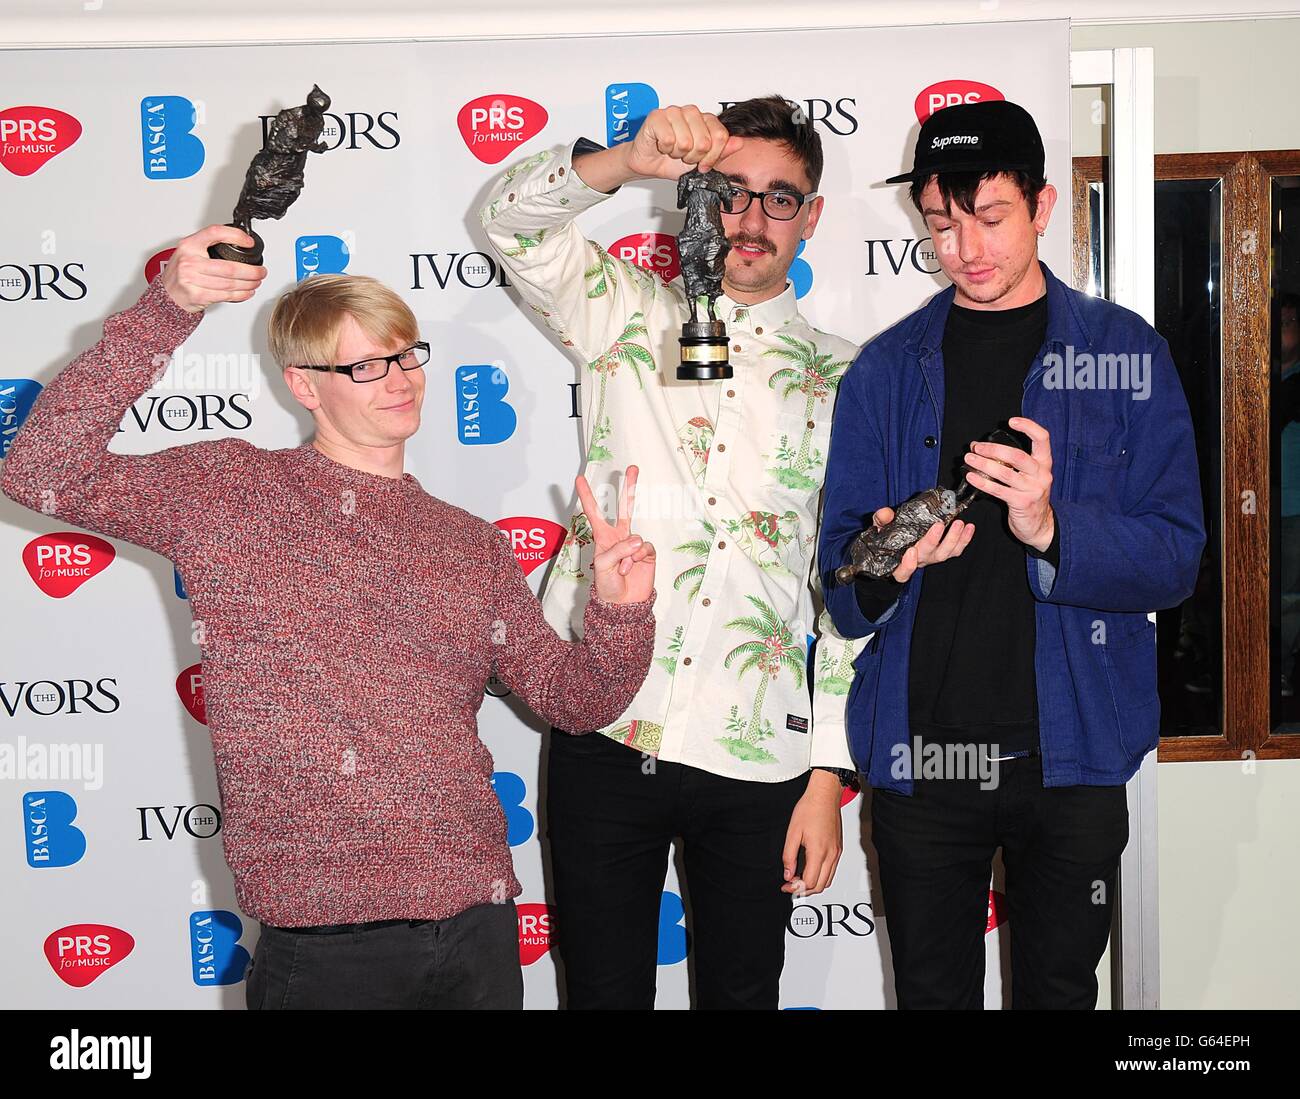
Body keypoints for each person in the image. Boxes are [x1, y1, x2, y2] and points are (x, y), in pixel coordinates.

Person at [0, 225, 659, 1010]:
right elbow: (40, 471)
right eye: (365, 364)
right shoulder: (229, 491)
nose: (400, 380)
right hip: (324, 944)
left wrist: (622, 612)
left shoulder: (467, 541)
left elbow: (572, 700)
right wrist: (169, 308)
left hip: (478, 924)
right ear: (304, 386)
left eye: (407, 355)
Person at [817, 100, 1206, 1009]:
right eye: (942, 226)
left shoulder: (1124, 357)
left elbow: (1177, 556)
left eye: (988, 219)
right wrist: (886, 564)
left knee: (1060, 993)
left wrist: (1050, 527)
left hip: (1070, 758)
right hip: (924, 763)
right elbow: (839, 589)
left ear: (1042, 205)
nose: (964, 249)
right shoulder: (883, 371)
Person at [481, 96, 863, 1010]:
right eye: (730, 191)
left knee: (744, 997)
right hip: (610, 726)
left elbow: (849, 588)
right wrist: (625, 159)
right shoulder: (620, 308)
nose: (752, 218)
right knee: (601, 994)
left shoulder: (852, 379)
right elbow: (506, 221)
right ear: (694, 194)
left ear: (812, 216)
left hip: (760, 748)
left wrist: (828, 773)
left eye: (782, 197)